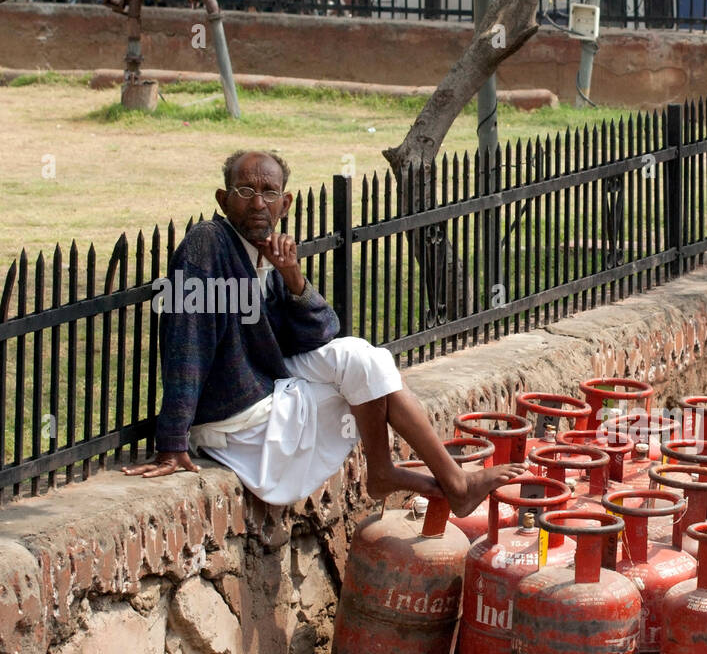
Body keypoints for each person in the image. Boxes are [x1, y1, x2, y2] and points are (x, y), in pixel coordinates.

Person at [124, 149, 525, 508]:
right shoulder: (207, 244)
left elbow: (321, 335)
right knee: (369, 382)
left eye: (268, 192)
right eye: (244, 191)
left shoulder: (268, 251)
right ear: (223, 199)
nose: (257, 203)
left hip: (269, 383)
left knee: (364, 360)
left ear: (285, 203)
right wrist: (172, 442)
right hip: (234, 415)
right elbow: (185, 343)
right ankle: (441, 481)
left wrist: (294, 279)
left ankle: (393, 473)